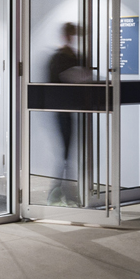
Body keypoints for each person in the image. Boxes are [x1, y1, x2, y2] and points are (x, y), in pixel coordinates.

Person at [45, 22, 91, 202]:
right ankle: (61, 190)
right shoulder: (58, 58)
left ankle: (61, 190)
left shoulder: (75, 56)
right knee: (66, 149)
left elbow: (86, 75)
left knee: (67, 149)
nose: (73, 38)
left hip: (73, 108)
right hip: (63, 109)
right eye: (71, 34)